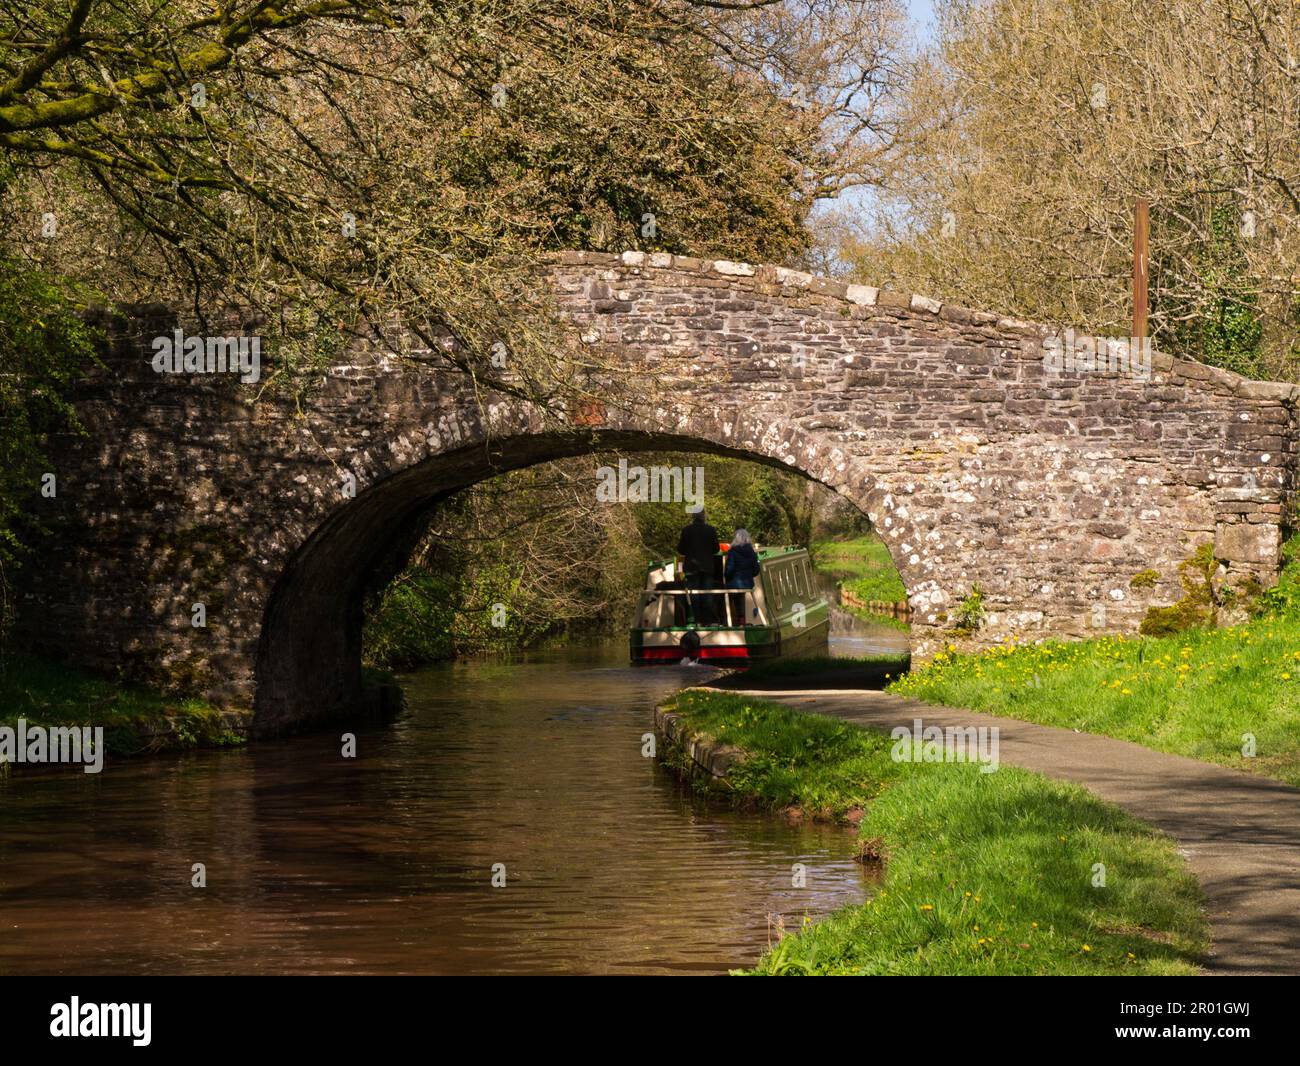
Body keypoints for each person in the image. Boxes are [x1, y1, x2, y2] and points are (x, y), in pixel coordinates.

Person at [676, 508, 720, 625]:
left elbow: (680, 550)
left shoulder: (686, 530)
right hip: (707, 568)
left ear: (693, 516)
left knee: (694, 594)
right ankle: (709, 621)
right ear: (703, 516)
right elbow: (716, 549)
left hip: (691, 568)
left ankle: (696, 620)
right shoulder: (711, 530)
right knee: (707, 594)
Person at [724, 528, 761, 625]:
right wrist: (748, 576)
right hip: (747, 583)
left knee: (726, 596)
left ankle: (729, 621)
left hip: (734, 583)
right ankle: (742, 620)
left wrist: (726, 577)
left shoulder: (732, 552)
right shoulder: (752, 552)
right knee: (740, 597)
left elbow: (729, 570)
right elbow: (756, 570)